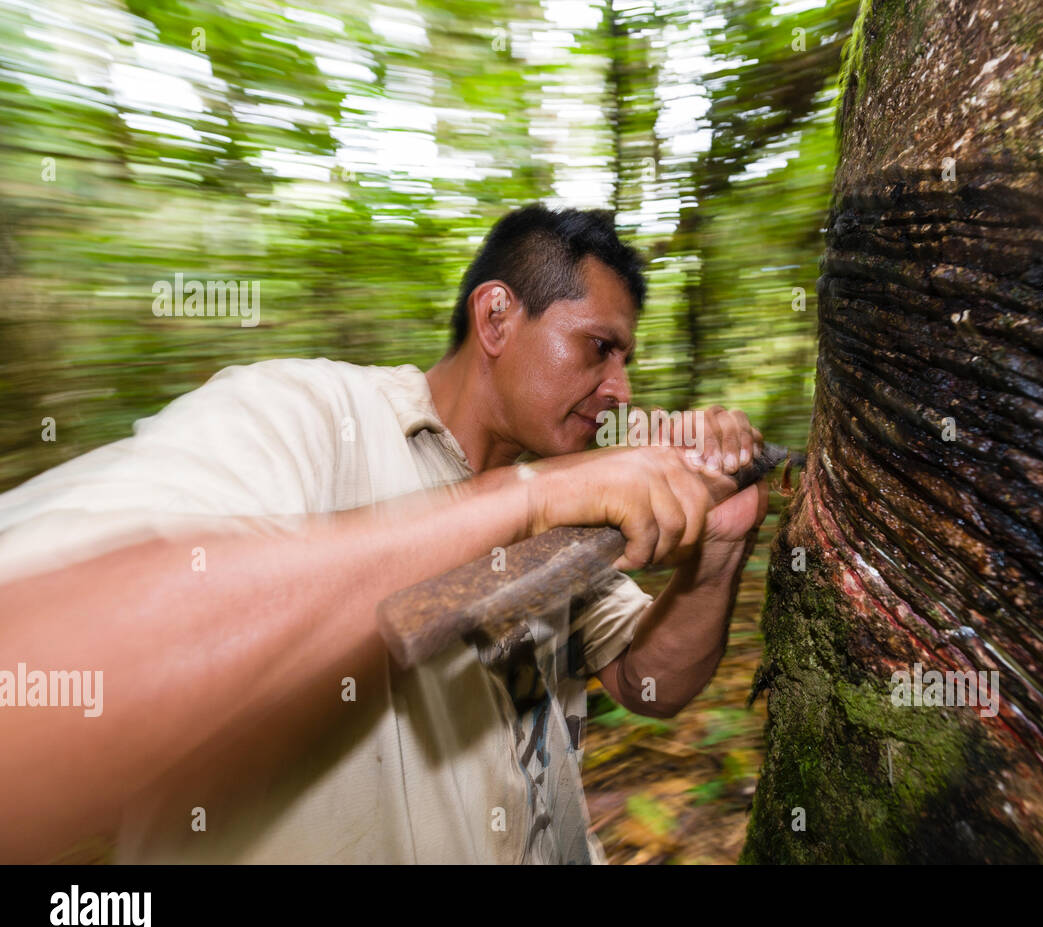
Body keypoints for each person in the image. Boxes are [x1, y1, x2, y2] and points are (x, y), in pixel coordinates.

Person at [0, 204, 767, 864]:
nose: (621, 388)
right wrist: (527, 498)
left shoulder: (568, 510)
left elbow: (648, 682)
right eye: (599, 346)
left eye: (627, 358)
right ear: (496, 318)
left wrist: (719, 551)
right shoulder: (303, 417)